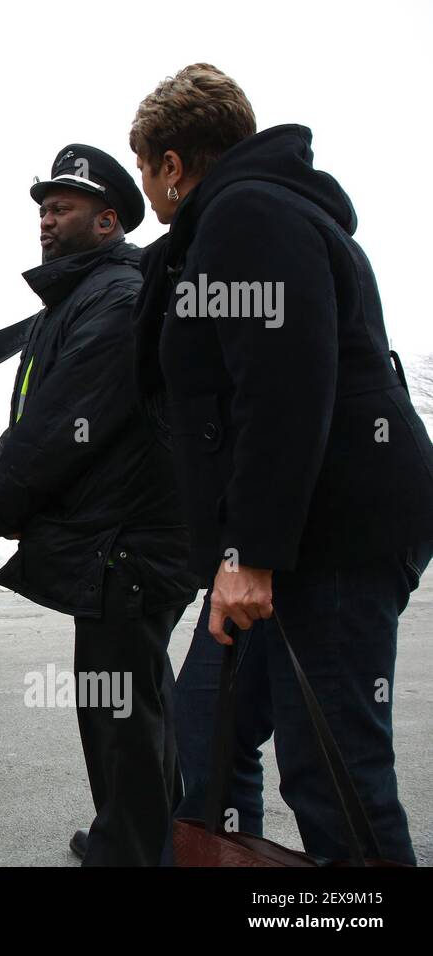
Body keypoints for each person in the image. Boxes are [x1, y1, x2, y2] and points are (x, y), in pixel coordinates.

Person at [130, 63, 433, 864]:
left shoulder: (248, 214)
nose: (148, 195)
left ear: (169, 164)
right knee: (206, 721)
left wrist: (254, 556)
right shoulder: (243, 219)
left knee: (332, 770)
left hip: (328, 537)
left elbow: (286, 391)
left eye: (144, 171)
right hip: (286, 538)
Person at [0, 145, 197, 866]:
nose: (46, 219)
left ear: (108, 221)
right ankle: (137, 835)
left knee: (121, 711)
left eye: (62, 208)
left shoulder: (118, 298)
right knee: (132, 704)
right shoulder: (84, 296)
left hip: (127, 545)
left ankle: (134, 852)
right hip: (121, 543)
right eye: (43, 207)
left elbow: (62, 423)